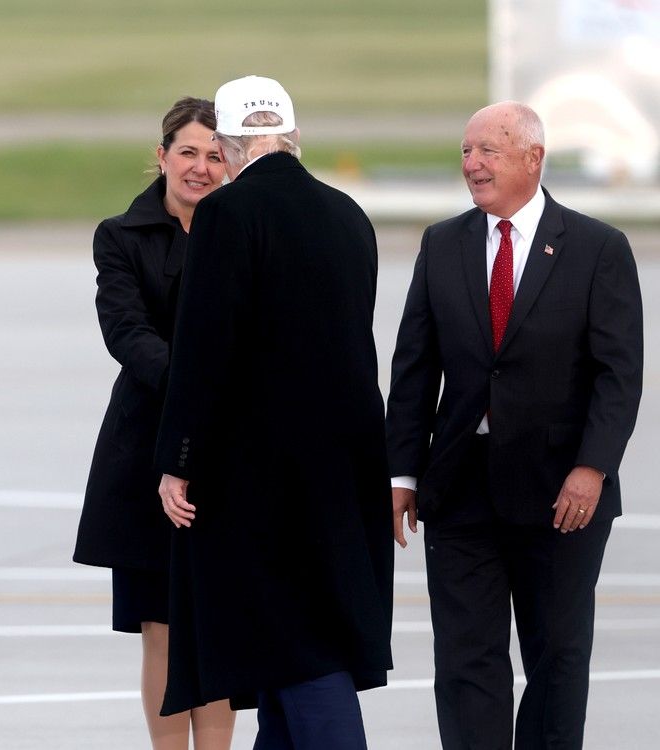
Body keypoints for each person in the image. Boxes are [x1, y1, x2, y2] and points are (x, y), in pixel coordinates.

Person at [386, 101, 643, 749]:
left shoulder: (597, 249)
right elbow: (415, 367)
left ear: (534, 158)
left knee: (556, 660)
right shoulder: (443, 244)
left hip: (563, 495)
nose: (472, 164)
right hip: (460, 491)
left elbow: (619, 374)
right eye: (467, 151)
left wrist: (592, 468)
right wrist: (401, 471)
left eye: (488, 151)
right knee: (466, 664)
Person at [156, 75, 394, 749]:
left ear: (228, 148)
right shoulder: (349, 214)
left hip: (260, 477)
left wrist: (179, 459)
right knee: (288, 650)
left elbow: (206, 349)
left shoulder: (229, 215)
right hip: (345, 468)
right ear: (294, 137)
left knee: (297, 645)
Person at [73, 97, 235, 749]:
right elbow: (126, 332)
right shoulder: (120, 236)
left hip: (230, 450)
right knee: (163, 629)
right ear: (162, 155)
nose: (200, 167)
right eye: (188, 152)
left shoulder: (248, 230)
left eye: (215, 155)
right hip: (147, 445)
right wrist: (196, 390)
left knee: (219, 625)